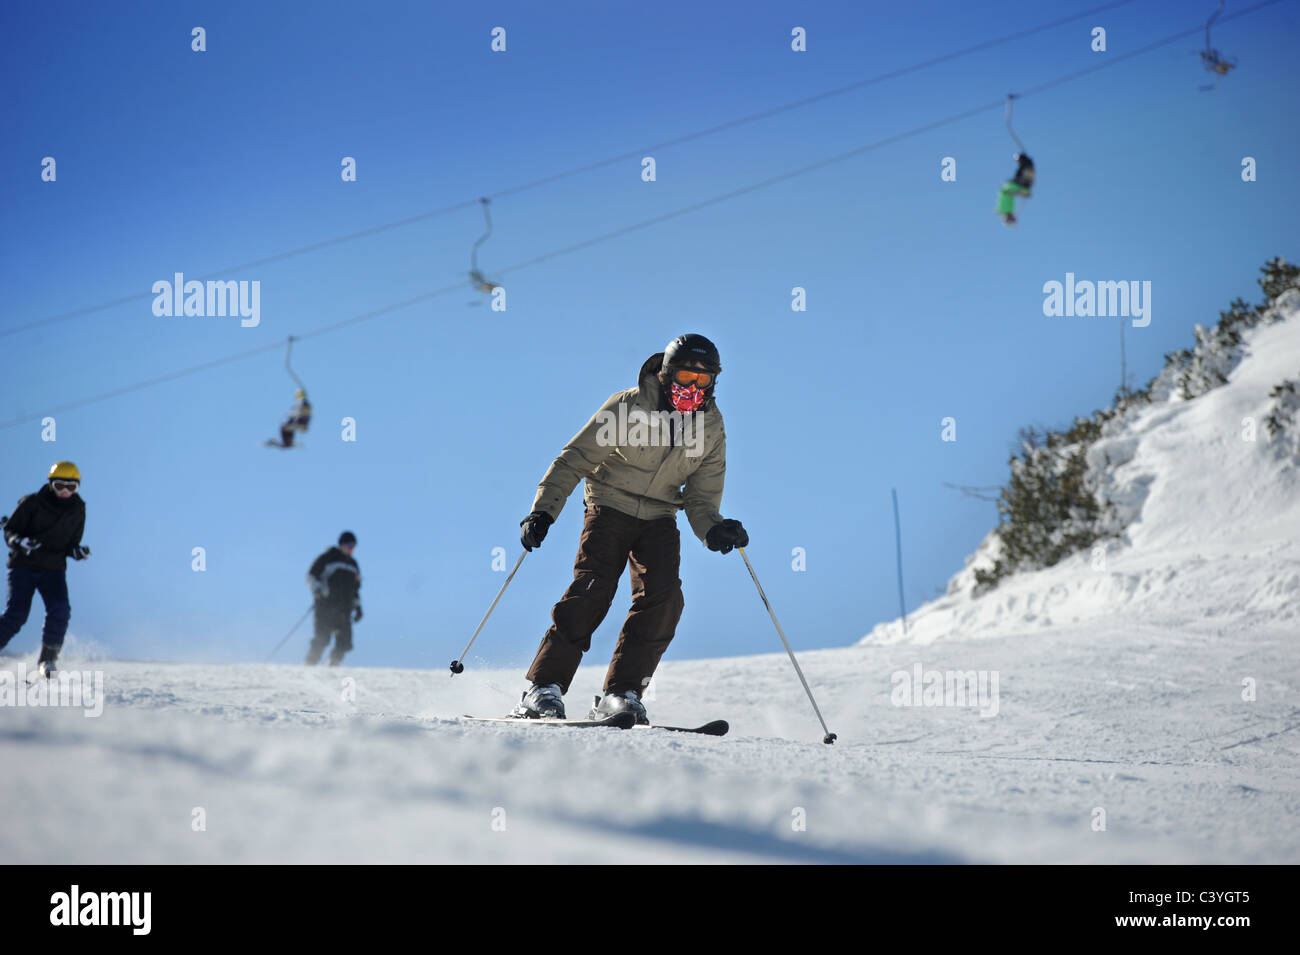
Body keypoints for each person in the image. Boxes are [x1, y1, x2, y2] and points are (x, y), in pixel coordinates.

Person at [512, 333, 749, 723]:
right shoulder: (629, 407)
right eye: (687, 376)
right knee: (594, 588)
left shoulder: (710, 427)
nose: (693, 387)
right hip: (609, 505)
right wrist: (543, 511)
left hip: (659, 517)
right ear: (667, 374)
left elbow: (702, 498)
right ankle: (543, 688)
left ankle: (622, 692)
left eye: (703, 381)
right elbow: (575, 459)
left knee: (665, 600)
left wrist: (715, 530)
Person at [0, 462, 91, 678]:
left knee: (60, 610)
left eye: (71, 487)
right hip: (23, 567)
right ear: (51, 484)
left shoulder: (78, 510)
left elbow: (72, 543)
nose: (65, 492)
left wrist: (76, 552)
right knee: (17, 614)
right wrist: (20, 542)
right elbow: (10, 531)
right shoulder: (32, 503)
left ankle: (48, 658)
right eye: (60, 486)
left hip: (53, 570)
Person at [305, 531, 361, 666]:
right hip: (326, 604)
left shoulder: (353, 564)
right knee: (322, 638)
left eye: (353, 545)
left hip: (344, 608)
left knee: (345, 641)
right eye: (349, 544)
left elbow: (355, 588)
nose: (351, 548)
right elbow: (311, 576)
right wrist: (317, 591)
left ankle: (333, 665)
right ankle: (309, 665)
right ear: (341, 544)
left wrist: (358, 607)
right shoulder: (329, 557)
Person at [997, 153, 1035, 226]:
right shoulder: (1007, 209)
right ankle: (1026, 165)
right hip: (1020, 185)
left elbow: (1005, 193)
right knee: (1018, 183)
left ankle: (1024, 162)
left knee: (1011, 186)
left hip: (1017, 186)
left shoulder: (1004, 209)